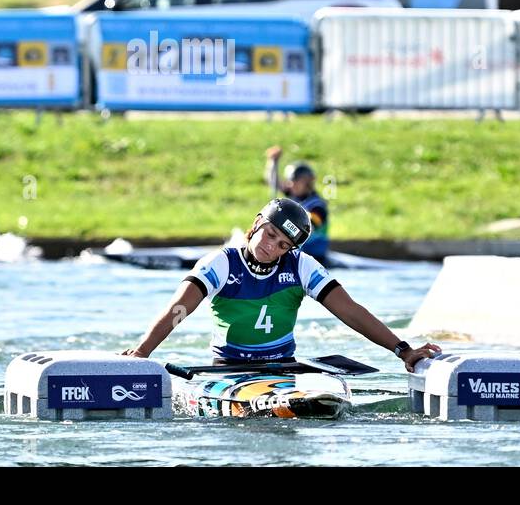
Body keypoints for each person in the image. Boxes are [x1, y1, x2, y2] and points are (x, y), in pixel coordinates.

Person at [122, 198, 439, 372]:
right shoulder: (220, 263)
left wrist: (402, 350)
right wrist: (141, 352)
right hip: (228, 370)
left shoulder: (301, 266)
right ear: (256, 225)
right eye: (269, 234)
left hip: (284, 369)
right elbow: (179, 310)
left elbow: (350, 311)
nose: (271, 247)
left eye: (283, 245)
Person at [264, 145, 330, 262]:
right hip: (296, 254)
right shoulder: (294, 197)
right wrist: (273, 162)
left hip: (315, 258)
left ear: (305, 182)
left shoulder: (318, 207)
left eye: (293, 180)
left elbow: (307, 230)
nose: (289, 184)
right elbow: (273, 182)